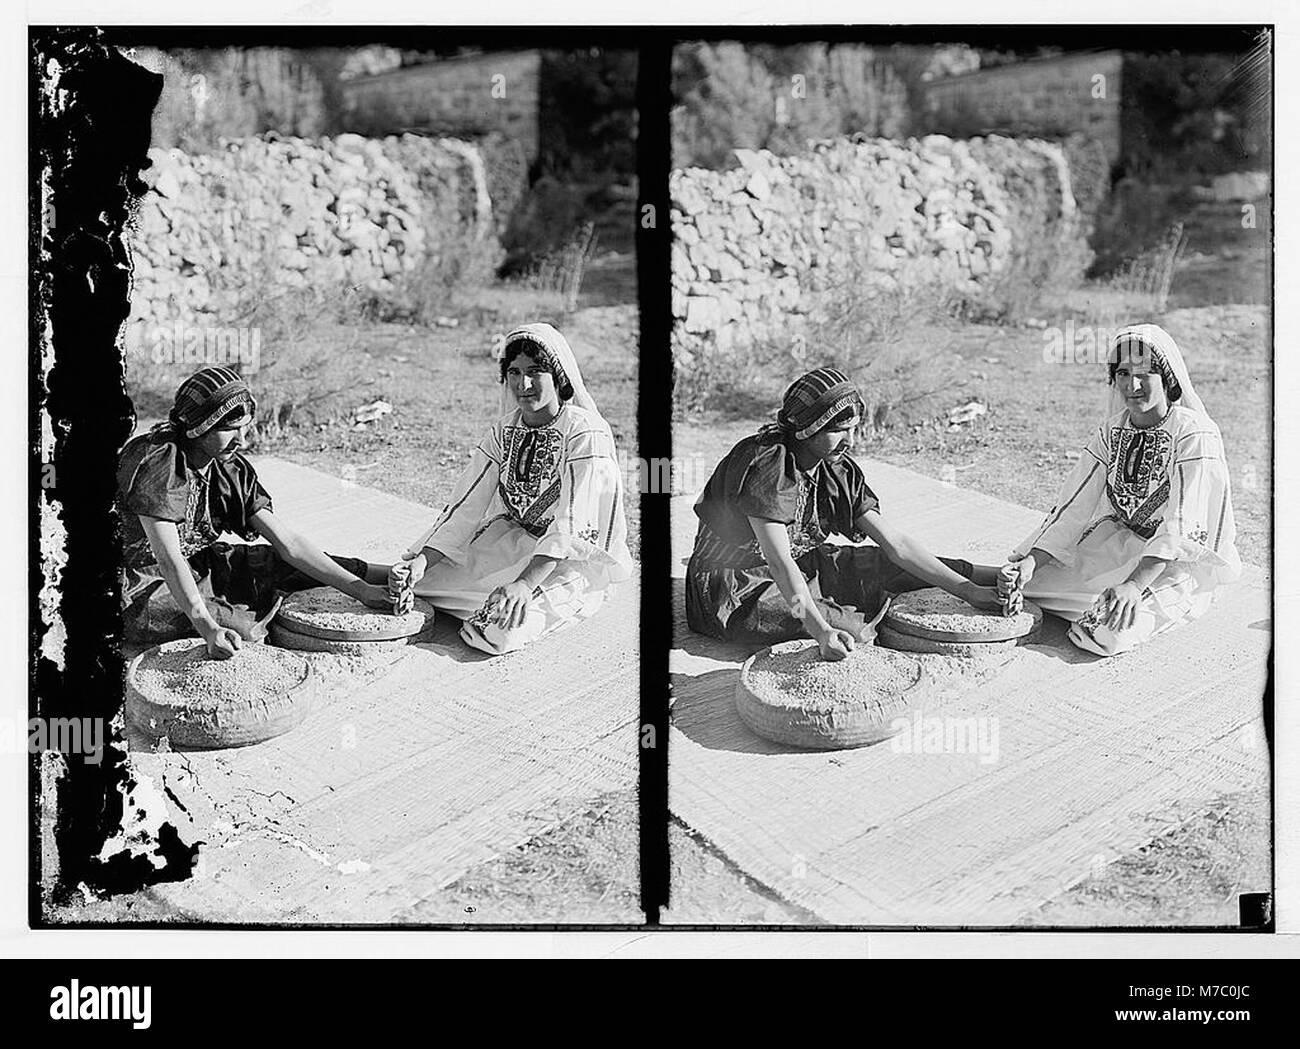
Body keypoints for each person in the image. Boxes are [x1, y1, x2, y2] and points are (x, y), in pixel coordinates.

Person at [685, 366, 1003, 661]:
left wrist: (969, 590)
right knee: (852, 632)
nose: (850, 441)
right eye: (840, 431)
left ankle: (996, 575)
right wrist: (822, 632)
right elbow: (780, 564)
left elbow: (897, 546)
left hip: (801, 563)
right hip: (735, 588)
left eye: (854, 429)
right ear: (808, 428)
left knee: (881, 565)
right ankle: (836, 616)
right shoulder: (767, 466)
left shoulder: (836, 469)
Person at [118, 366, 394, 660]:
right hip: (140, 584)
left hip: (197, 564)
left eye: (245, 428)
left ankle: (389, 574)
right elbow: (169, 560)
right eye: (229, 430)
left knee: (274, 564)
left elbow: (289, 545)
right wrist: (209, 629)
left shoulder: (227, 467)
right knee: (240, 631)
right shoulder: (157, 463)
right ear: (200, 425)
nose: (242, 441)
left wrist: (363, 590)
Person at [391, 323, 632, 656]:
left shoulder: (584, 432)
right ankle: (366, 571)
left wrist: (524, 583)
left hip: (570, 561)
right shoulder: (504, 431)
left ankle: (538, 598)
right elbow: (465, 506)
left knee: (496, 631)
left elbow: (573, 526)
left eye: (536, 372)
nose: (524, 384)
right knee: (422, 583)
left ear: (559, 377)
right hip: (512, 543)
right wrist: (422, 561)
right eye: (515, 372)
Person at [1001, 324, 1242, 657]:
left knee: (1103, 632)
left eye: (1146, 373)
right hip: (1119, 545)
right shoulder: (1111, 431)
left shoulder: (1193, 432)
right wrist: (1032, 561)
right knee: (1032, 586)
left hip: (1177, 563)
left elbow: (1182, 527)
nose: (1134, 385)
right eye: (1124, 372)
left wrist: (1134, 584)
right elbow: (1073, 505)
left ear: (1168, 378)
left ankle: (1157, 600)